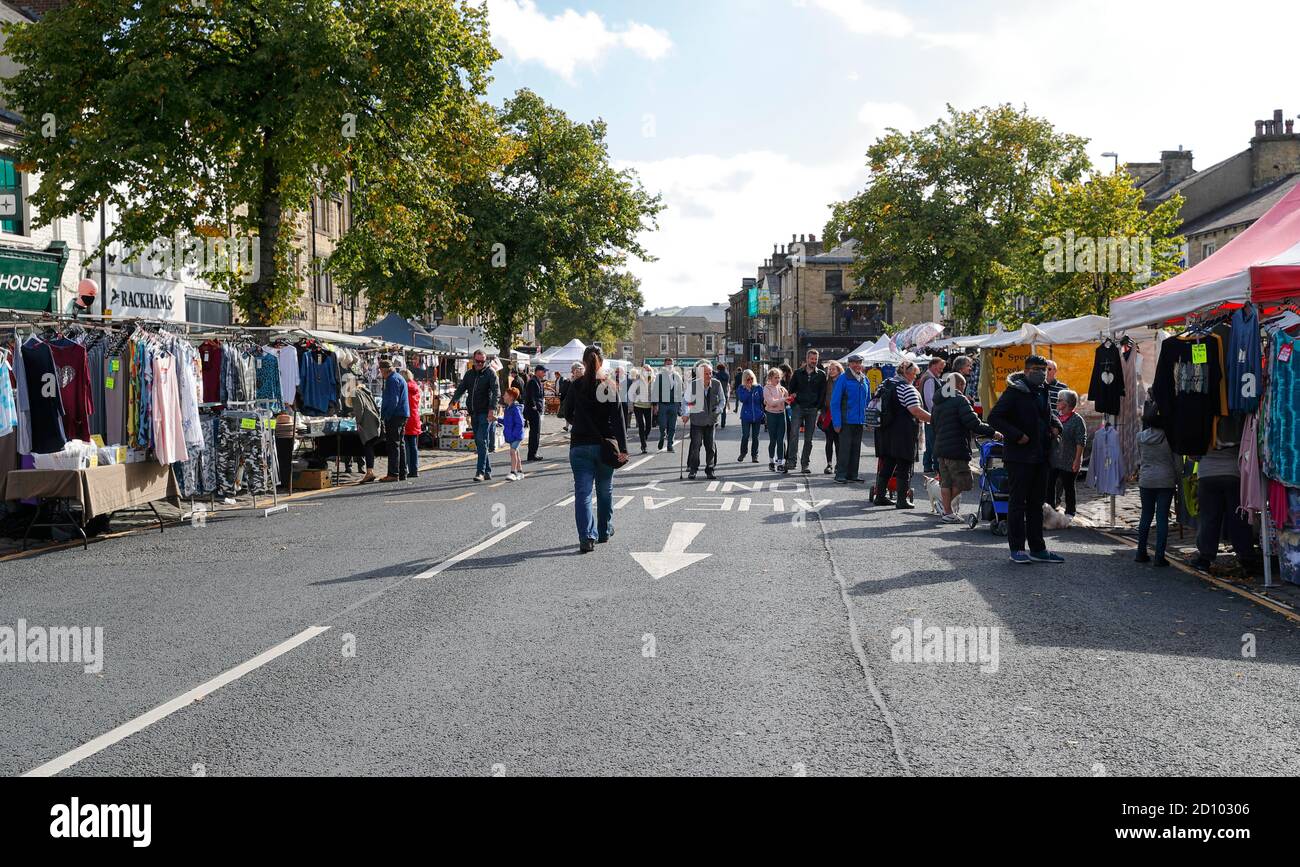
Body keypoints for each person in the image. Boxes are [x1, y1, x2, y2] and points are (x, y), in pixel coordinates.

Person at [988, 355, 1065, 565]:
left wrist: (1057, 424)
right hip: (1019, 457)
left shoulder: (1043, 390)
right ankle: (1017, 549)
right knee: (1017, 503)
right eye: (1039, 369)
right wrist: (1017, 435)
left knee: (1036, 504)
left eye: (1045, 369)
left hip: (1041, 456)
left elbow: (1047, 415)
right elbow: (994, 417)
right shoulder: (1014, 391)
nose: (1043, 372)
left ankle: (1038, 549)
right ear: (1027, 370)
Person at [565, 346, 628, 554]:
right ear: (602, 362)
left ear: (584, 362)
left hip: (580, 445)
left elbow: (566, 414)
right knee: (604, 490)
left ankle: (586, 537)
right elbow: (619, 420)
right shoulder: (609, 386)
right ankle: (603, 531)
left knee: (583, 493)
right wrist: (624, 448)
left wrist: (580, 421)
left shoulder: (575, 386)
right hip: (604, 446)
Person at [930, 372, 997, 522]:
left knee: (946, 482)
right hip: (957, 447)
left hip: (941, 447)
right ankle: (944, 506)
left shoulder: (938, 401)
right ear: (959, 385)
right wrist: (993, 432)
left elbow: (933, 423)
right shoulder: (960, 400)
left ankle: (947, 512)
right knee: (964, 481)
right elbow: (973, 423)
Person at [1190, 438, 1257, 572]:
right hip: (1234, 473)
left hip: (1207, 473)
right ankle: (1246, 557)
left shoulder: (1202, 421)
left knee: (1209, 518)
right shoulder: (1237, 420)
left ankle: (1205, 558)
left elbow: (1193, 455)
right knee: (1238, 517)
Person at [872, 360, 931, 508]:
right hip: (903, 432)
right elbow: (915, 410)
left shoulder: (885, 383)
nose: (915, 377)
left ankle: (880, 496)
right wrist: (934, 419)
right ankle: (901, 500)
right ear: (906, 373)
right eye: (914, 374)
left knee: (888, 464)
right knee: (904, 466)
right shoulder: (906, 388)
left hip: (884, 430)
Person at [1135, 403, 1180, 568]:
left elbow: (1141, 459)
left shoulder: (1140, 437)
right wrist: (1177, 478)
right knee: (1162, 518)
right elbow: (1177, 464)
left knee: (1146, 515)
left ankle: (1141, 552)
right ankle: (1159, 557)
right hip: (1165, 480)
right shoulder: (1170, 439)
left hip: (1146, 480)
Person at [449, 349, 501, 482]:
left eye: (482, 361)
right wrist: (452, 402)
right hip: (473, 412)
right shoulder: (469, 374)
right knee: (481, 443)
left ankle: (480, 472)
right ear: (473, 359)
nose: (479, 364)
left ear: (485, 361)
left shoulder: (490, 373)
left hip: (485, 412)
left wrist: (492, 410)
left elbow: (496, 392)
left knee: (480, 440)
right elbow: (461, 388)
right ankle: (488, 471)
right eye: (477, 361)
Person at [680, 362, 724, 480]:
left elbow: (722, 400)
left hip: (711, 421)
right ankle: (693, 470)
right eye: (706, 373)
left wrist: (718, 410)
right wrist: (685, 413)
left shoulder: (716, 384)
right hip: (697, 421)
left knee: (710, 447)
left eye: (710, 373)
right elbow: (686, 401)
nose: (709, 376)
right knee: (696, 446)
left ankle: (710, 470)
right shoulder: (693, 385)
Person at [831, 354, 870, 484]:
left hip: (859, 420)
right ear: (849, 364)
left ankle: (853, 474)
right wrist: (836, 422)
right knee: (845, 448)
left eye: (859, 362)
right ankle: (840, 474)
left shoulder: (865, 379)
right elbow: (835, 402)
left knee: (856, 448)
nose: (857, 365)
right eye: (854, 363)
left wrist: (867, 419)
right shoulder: (843, 379)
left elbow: (867, 401)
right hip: (846, 420)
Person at [788, 350, 827, 475]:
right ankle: (791, 461)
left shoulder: (821, 375)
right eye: (812, 359)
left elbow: (822, 393)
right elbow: (791, 389)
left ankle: (805, 464)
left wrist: (818, 407)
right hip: (798, 407)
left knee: (808, 439)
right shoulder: (798, 373)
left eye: (816, 359)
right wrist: (794, 404)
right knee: (793, 435)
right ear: (807, 359)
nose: (814, 361)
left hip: (812, 409)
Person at [1049, 389, 1086, 518]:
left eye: (1060, 400)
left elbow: (1081, 441)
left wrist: (1077, 460)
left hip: (1069, 459)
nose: (1057, 402)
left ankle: (1070, 512)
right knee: (1050, 485)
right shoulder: (1056, 417)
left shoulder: (1077, 420)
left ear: (1067, 403)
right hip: (1054, 459)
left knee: (1068, 487)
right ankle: (1050, 509)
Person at [379, 359, 409, 483]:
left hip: (395, 416)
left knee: (393, 445)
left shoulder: (392, 380)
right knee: (400, 444)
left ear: (384, 370)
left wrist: (386, 415)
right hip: (402, 414)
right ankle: (402, 472)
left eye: (380, 371)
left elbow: (393, 401)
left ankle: (393, 473)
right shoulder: (398, 377)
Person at [917, 357, 946, 475]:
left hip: (929, 415)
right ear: (933, 365)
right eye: (940, 366)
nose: (942, 369)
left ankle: (928, 465)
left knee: (930, 442)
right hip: (931, 416)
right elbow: (929, 400)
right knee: (933, 441)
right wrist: (933, 415)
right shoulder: (929, 379)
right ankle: (932, 466)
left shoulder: (929, 377)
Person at [735, 369, 765, 463]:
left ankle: (754, 455)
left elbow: (762, 400)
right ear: (744, 380)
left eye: (751, 378)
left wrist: (763, 412)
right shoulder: (741, 388)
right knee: (745, 435)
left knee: (755, 436)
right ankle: (743, 453)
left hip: (757, 415)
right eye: (748, 379)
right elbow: (742, 399)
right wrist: (748, 391)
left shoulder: (758, 387)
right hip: (746, 416)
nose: (750, 381)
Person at [653, 359, 683, 452]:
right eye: (667, 364)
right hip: (663, 404)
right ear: (664, 365)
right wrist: (655, 405)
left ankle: (670, 444)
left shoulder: (677, 376)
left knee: (672, 426)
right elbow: (655, 391)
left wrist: (680, 405)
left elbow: (680, 390)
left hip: (674, 404)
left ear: (673, 365)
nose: (669, 365)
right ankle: (662, 436)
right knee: (662, 425)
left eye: (671, 364)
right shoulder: (659, 376)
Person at [762, 369, 789, 472]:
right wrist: (784, 399)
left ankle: (781, 463)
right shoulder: (766, 388)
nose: (778, 380)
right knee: (773, 440)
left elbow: (788, 399)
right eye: (775, 378)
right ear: (770, 378)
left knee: (781, 440)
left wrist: (790, 398)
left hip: (781, 414)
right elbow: (771, 402)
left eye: (779, 377)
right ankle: (771, 461)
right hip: (771, 415)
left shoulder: (782, 389)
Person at [821, 361, 843, 474]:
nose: (831, 371)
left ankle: (839, 464)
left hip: (840, 414)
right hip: (828, 414)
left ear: (839, 370)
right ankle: (829, 464)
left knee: (838, 441)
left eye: (833, 369)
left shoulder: (843, 381)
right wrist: (823, 413)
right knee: (829, 440)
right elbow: (823, 398)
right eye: (830, 369)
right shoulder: (826, 382)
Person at [502, 387, 526, 481]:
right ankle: (520, 471)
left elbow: (520, 423)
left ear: (511, 397)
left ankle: (513, 472)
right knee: (516, 452)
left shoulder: (515, 408)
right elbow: (507, 422)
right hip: (512, 435)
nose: (503, 396)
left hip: (516, 435)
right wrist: (497, 419)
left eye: (505, 395)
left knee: (512, 452)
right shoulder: (508, 408)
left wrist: (515, 435)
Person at [401, 368, 422, 479]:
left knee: (406, 446)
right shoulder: (415, 387)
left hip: (407, 418)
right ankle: (414, 469)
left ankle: (408, 469)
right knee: (413, 446)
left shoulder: (405, 388)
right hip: (414, 418)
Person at [524, 365, 547, 462]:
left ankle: (533, 453)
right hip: (533, 411)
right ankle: (532, 454)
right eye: (543, 371)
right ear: (537, 371)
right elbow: (531, 395)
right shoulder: (533, 381)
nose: (544, 373)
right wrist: (535, 406)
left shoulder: (537, 381)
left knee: (535, 432)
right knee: (535, 432)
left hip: (536, 410)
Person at [629, 366, 654, 454]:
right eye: (645, 370)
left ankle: (644, 439)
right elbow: (631, 393)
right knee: (641, 425)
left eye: (648, 370)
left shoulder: (653, 380)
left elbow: (655, 393)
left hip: (648, 406)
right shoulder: (637, 380)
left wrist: (655, 405)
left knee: (649, 427)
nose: (647, 372)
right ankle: (644, 446)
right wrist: (631, 404)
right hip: (638, 406)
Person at [558, 363, 583, 433]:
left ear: (578, 370)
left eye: (573, 371)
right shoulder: (572, 382)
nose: (572, 372)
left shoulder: (576, 383)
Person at [715, 363, 731, 429]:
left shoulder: (717, 375)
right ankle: (723, 424)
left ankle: (715, 421)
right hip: (725, 393)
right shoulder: (727, 375)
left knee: (715, 408)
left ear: (719, 369)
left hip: (717, 394)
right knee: (723, 409)